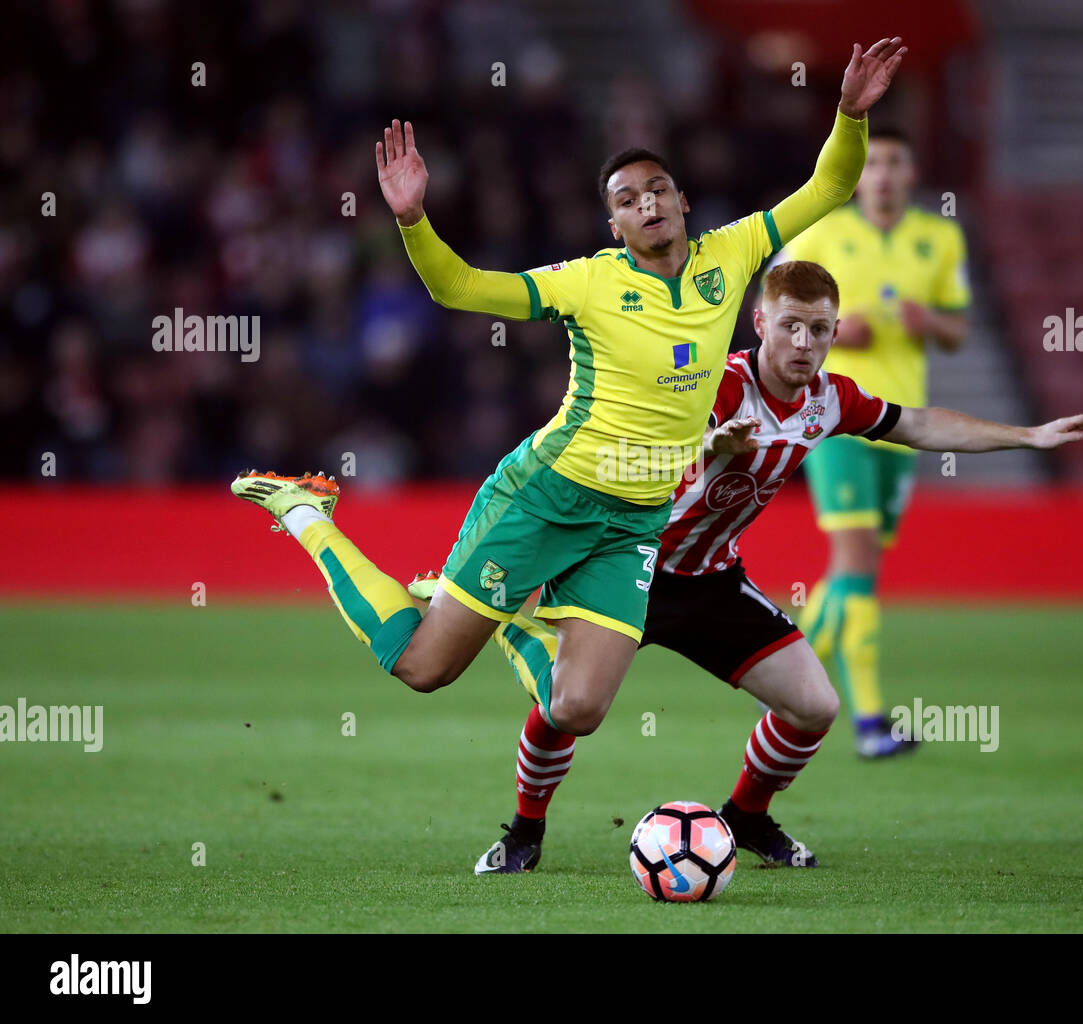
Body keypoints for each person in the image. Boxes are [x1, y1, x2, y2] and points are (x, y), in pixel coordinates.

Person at [231, 43, 906, 749]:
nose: (646, 202)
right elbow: (457, 287)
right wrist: (412, 219)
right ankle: (308, 512)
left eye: (657, 189)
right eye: (626, 199)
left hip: (636, 521)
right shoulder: (586, 282)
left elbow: (828, 188)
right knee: (423, 667)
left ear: (682, 201)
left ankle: (517, 621)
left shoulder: (731, 255)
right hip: (550, 495)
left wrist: (850, 112)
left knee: (577, 710)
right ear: (612, 227)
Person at [425, 260, 1083, 873]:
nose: (804, 344)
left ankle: (746, 817)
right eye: (790, 327)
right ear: (760, 325)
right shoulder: (714, 384)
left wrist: (1028, 436)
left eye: (819, 329)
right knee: (569, 709)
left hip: (712, 580)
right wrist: (711, 445)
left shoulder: (829, 401)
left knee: (815, 707)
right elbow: (655, 444)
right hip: (626, 565)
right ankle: (525, 831)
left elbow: (920, 424)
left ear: (836, 331)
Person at [774, 127, 972, 757]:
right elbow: (771, 309)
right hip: (834, 418)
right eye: (874, 163)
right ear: (859, 175)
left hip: (901, 424)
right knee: (858, 565)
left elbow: (958, 332)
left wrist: (929, 322)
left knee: (853, 571)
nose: (883, 174)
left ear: (911, 174)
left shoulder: (938, 238)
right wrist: (829, 332)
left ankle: (780, 673)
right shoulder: (821, 235)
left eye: (895, 162)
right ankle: (868, 722)